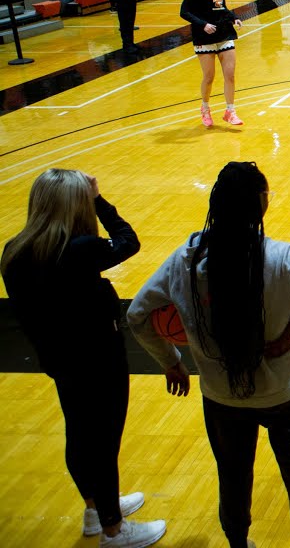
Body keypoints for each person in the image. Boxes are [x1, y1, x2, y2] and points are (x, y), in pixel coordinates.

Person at [128, 161, 290, 548]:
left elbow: (137, 316)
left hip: (222, 396)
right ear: (262, 205)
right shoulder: (283, 259)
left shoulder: (186, 259)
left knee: (233, 474)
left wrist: (170, 361)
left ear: (215, 205)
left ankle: (238, 544)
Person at [1, 169, 167, 548]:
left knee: (78, 433)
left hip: (58, 359)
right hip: (98, 358)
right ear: (76, 205)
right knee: (104, 442)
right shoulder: (79, 249)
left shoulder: (15, 250)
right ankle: (114, 529)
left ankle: (95, 509)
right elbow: (128, 242)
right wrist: (100, 202)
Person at [179, 0, 243, 127]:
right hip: (204, 37)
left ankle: (230, 111)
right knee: (209, 77)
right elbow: (184, 12)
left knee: (230, 75)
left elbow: (222, 8)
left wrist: (234, 18)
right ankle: (205, 108)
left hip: (224, 34)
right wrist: (203, 25)